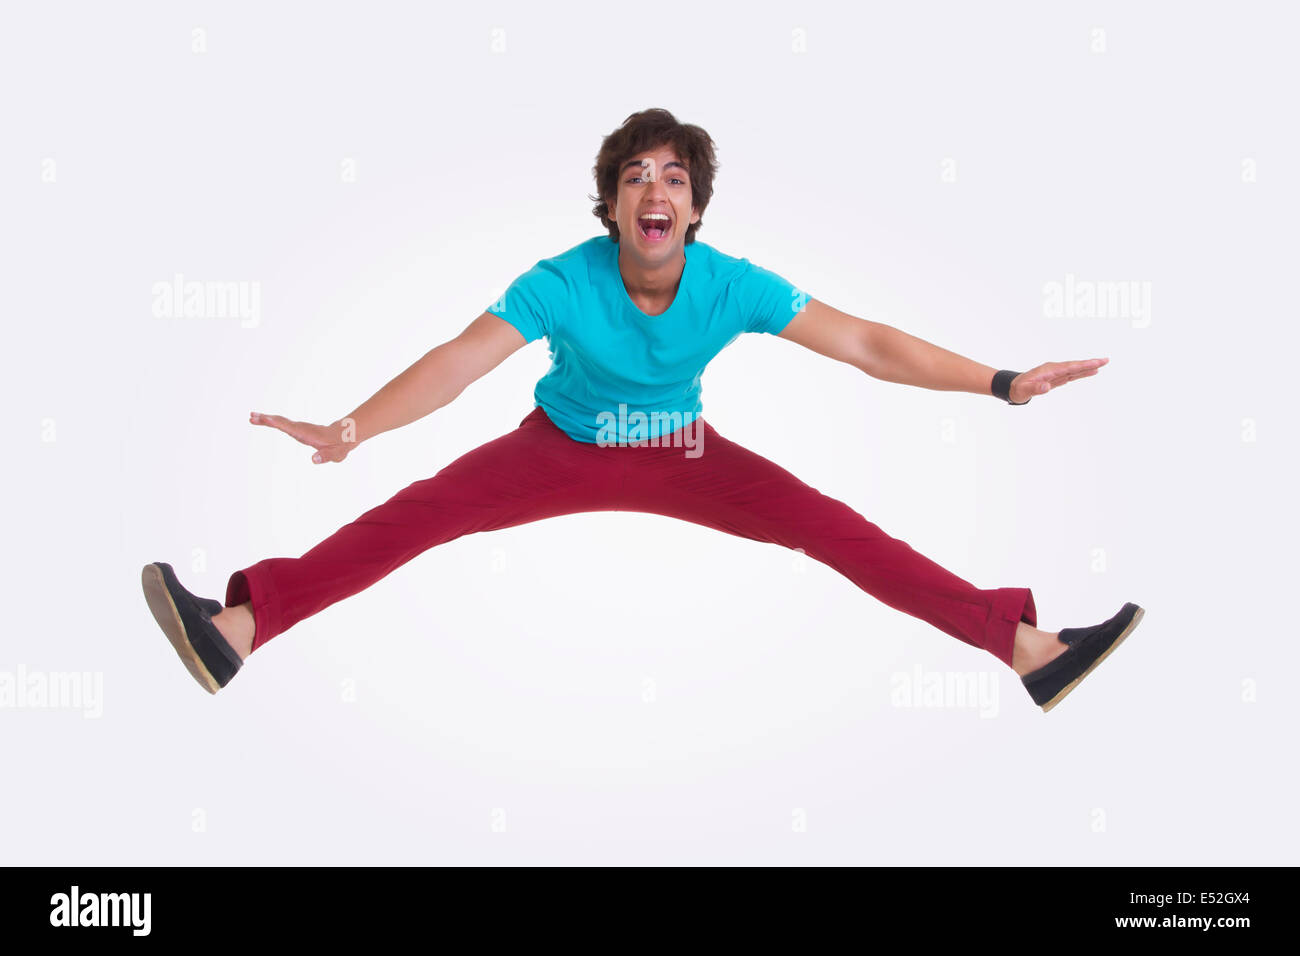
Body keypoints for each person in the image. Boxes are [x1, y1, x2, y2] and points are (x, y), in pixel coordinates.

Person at [142, 108, 1143, 713]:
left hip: (680, 449)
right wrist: (348, 426)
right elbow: (458, 361)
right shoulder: (562, 280)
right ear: (614, 210)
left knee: (836, 529)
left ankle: (1030, 651)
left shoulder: (731, 282)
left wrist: (1002, 381)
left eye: (672, 177)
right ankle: (238, 627)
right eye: (634, 177)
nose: (652, 190)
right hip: (559, 447)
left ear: (694, 209)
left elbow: (869, 344)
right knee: (412, 517)